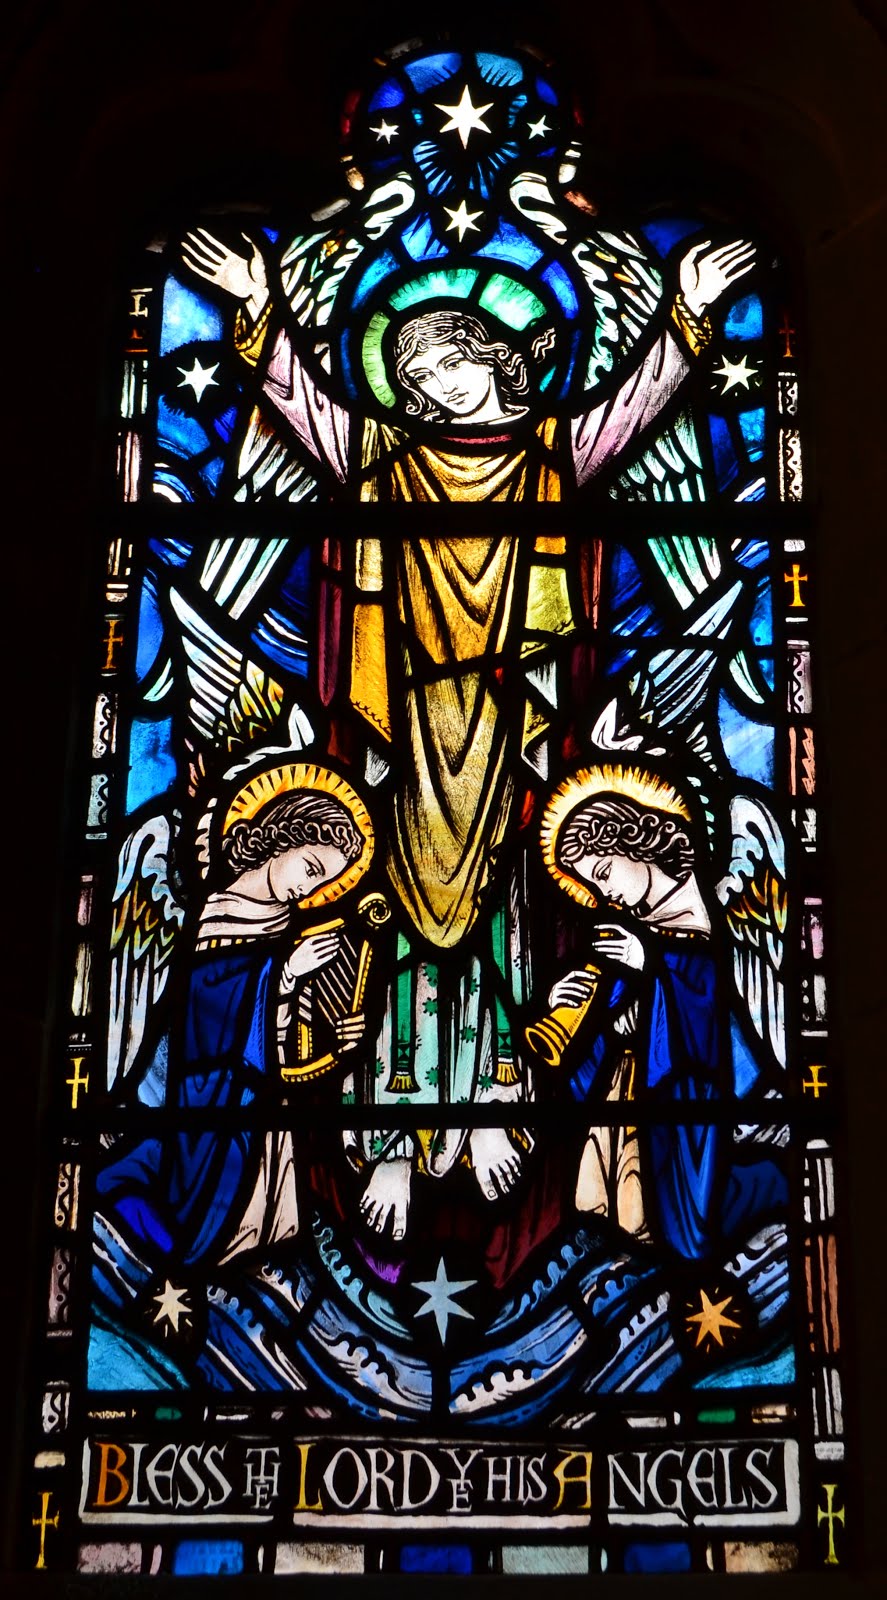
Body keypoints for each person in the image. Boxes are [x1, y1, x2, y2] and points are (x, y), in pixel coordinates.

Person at [178, 229, 754, 1237]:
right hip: (403, 721)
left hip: (510, 717)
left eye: (447, 360)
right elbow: (309, 415)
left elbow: (628, 413)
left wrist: (686, 316)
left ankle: (504, 1101)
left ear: (492, 356)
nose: (435, 385)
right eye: (416, 375)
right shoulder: (385, 459)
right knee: (398, 914)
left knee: (507, 911)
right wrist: (258, 309)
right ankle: (391, 1131)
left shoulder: (549, 452)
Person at [97, 770, 372, 1273]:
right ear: (280, 839)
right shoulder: (208, 909)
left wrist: (330, 1040)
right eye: (310, 868)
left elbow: (283, 1039)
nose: (309, 889)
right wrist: (285, 972)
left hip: (251, 1094)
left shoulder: (288, 923)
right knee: (178, 1213)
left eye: (323, 882)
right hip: (199, 1092)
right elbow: (200, 1005)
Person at [538, 775, 723, 1261]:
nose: (603, 894)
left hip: (688, 1117)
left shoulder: (706, 905)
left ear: (634, 843)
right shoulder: (634, 931)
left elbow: (719, 1014)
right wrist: (572, 1013)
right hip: (626, 1104)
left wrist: (651, 968)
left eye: (602, 872)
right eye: (591, 884)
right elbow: (601, 1048)